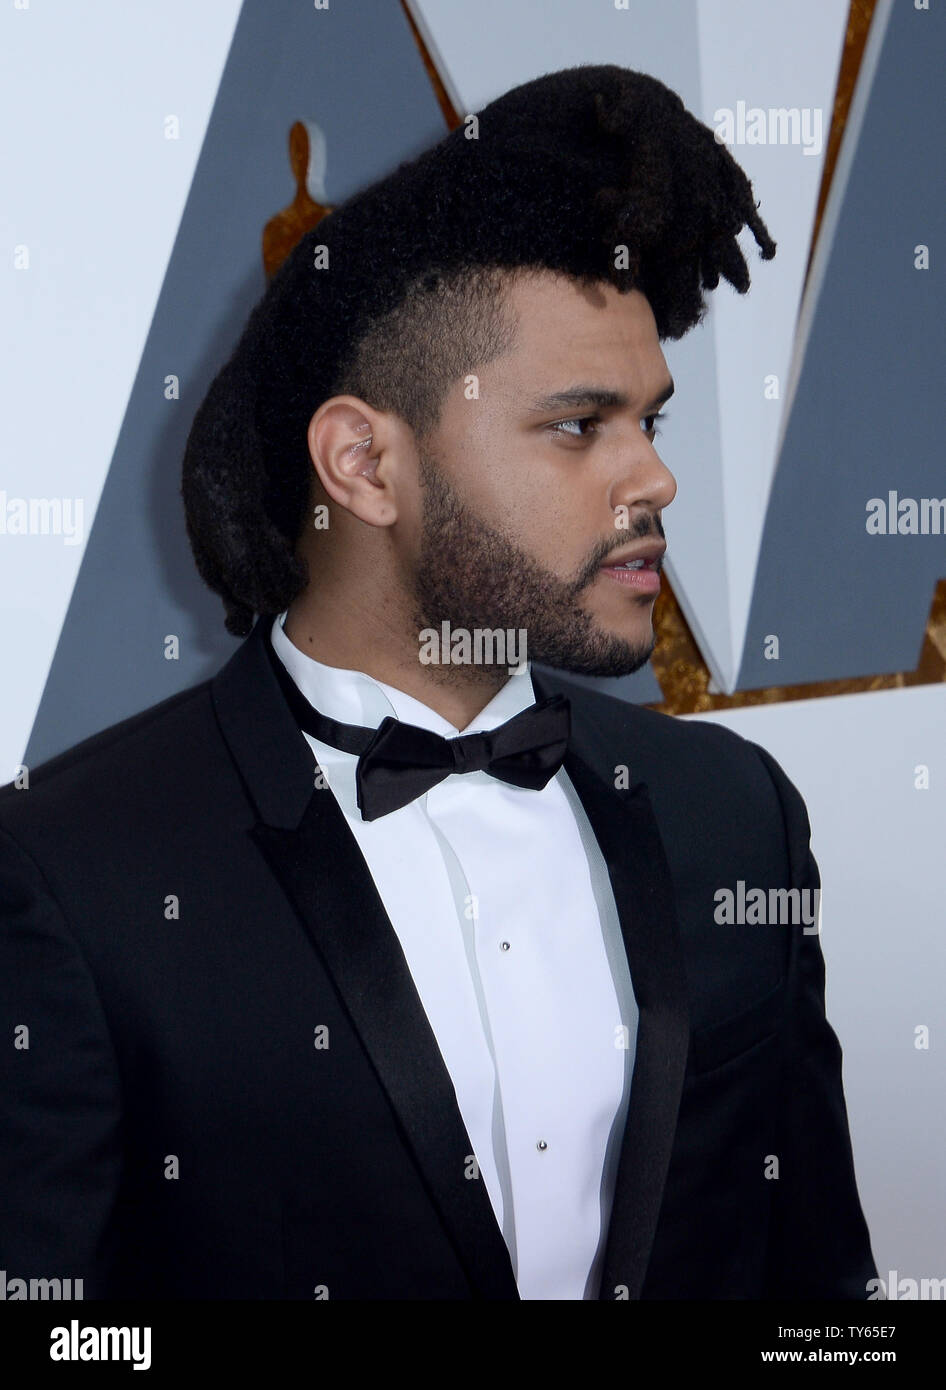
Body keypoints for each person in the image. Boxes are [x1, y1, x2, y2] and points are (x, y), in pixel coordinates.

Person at [0, 64, 876, 1300]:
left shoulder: (738, 816)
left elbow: (817, 1293)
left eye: (651, 423)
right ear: (363, 463)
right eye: (579, 425)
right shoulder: (71, 873)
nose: (652, 481)